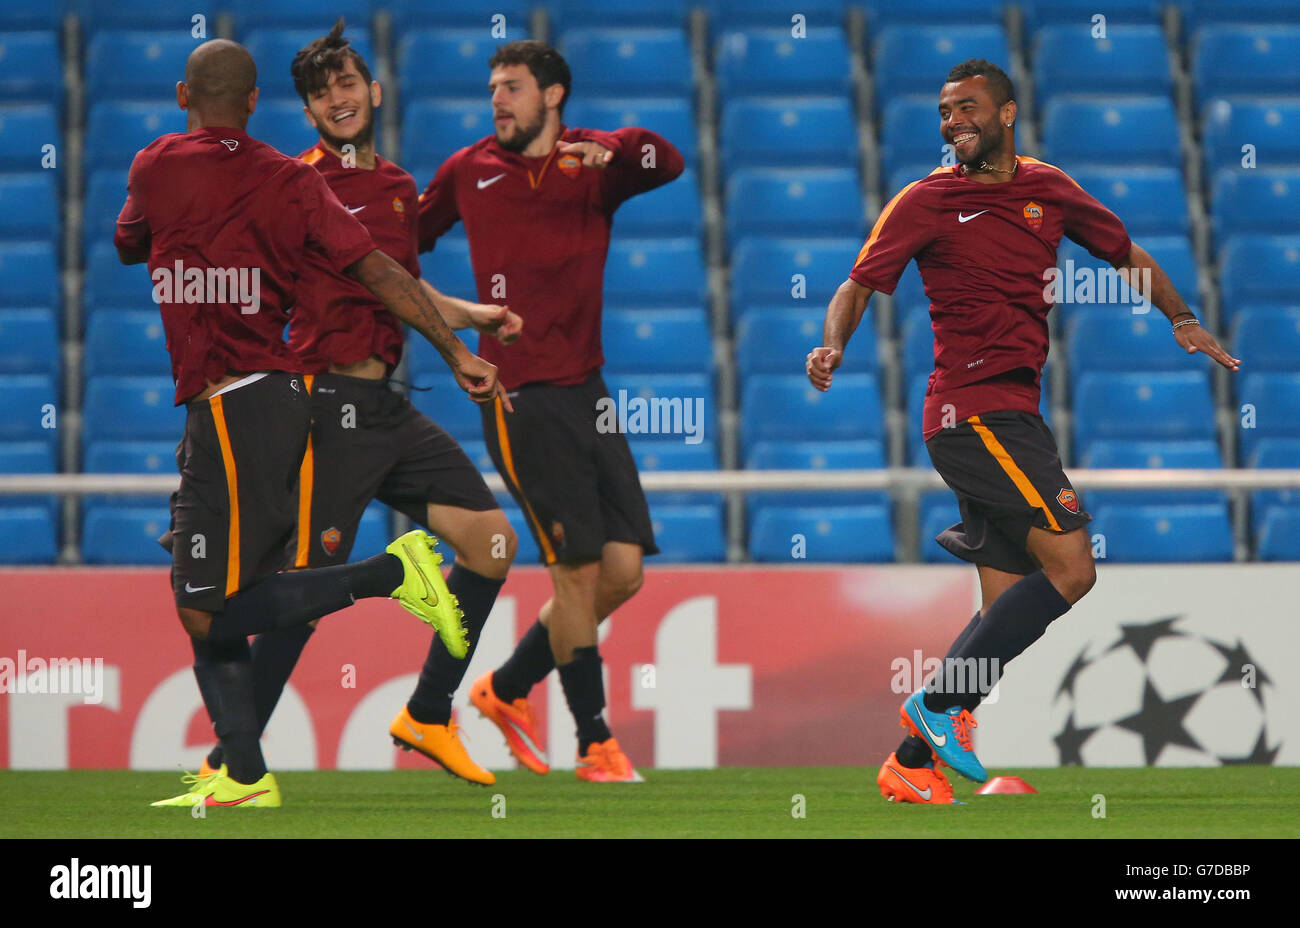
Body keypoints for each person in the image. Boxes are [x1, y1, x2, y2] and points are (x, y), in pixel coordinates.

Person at [806, 59, 1241, 804]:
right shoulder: (926, 200)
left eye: (968, 109)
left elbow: (1122, 251)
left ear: (1007, 114)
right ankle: (939, 706)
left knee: (1004, 599)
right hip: (972, 412)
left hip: (1012, 412)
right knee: (1074, 569)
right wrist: (834, 344)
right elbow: (860, 281)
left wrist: (1181, 316)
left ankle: (912, 761)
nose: (953, 124)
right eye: (945, 113)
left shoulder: (1049, 188)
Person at [115, 38, 505, 807]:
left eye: (350, 84)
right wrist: (460, 348)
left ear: (182, 96)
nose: (340, 100)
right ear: (264, 104)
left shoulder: (157, 164)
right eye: (322, 92)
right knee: (221, 599)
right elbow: (381, 275)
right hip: (291, 398)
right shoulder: (292, 181)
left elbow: (131, 243)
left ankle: (396, 587)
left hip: (249, 403)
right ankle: (246, 773)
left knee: (211, 598)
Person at [417, 40, 685, 782]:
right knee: (575, 575)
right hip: (518, 396)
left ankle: (504, 690)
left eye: (513, 87)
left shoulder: (587, 169)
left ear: (553, 96)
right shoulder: (468, 171)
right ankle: (595, 742)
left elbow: (669, 160)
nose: (498, 99)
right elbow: (396, 250)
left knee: (623, 573)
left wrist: (609, 147)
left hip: (588, 391)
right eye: (493, 88)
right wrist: (451, 324)